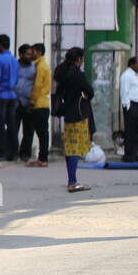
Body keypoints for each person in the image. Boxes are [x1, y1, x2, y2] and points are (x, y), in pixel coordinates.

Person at [53, 46, 94, 193]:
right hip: (79, 114)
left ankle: (71, 179)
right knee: (75, 148)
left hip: (67, 114)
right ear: (78, 59)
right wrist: (84, 96)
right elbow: (90, 92)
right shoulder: (77, 74)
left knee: (69, 148)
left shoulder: (62, 72)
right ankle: (72, 182)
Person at [24, 42, 52, 167]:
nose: (32, 54)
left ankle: (43, 158)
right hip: (43, 103)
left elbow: (37, 85)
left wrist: (32, 102)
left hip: (39, 104)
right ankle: (42, 157)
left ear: (39, 52)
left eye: (33, 51)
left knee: (41, 133)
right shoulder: (42, 65)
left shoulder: (40, 67)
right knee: (43, 133)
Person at [120, 54, 138, 162]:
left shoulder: (135, 76)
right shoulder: (126, 75)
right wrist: (128, 107)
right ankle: (129, 155)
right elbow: (124, 92)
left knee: (137, 132)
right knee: (130, 132)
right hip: (131, 106)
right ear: (132, 64)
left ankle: (134, 154)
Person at [0, 34, 19, 161]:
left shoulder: (0, 60)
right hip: (12, 95)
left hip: (1, 95)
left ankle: (2, 151)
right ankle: (14, 151)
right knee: (12, 124)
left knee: (1, 125)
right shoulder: (14, 60)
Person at [14, 44, 35, 160]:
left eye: (31, 54)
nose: (30, 56)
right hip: (16, 101)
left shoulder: (34, 67)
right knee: (13, 128)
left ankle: (25, 153)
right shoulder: (15, 65)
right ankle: (13, 152)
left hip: (28, 102)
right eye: (27, 54)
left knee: (28, 130)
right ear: (21, 54)